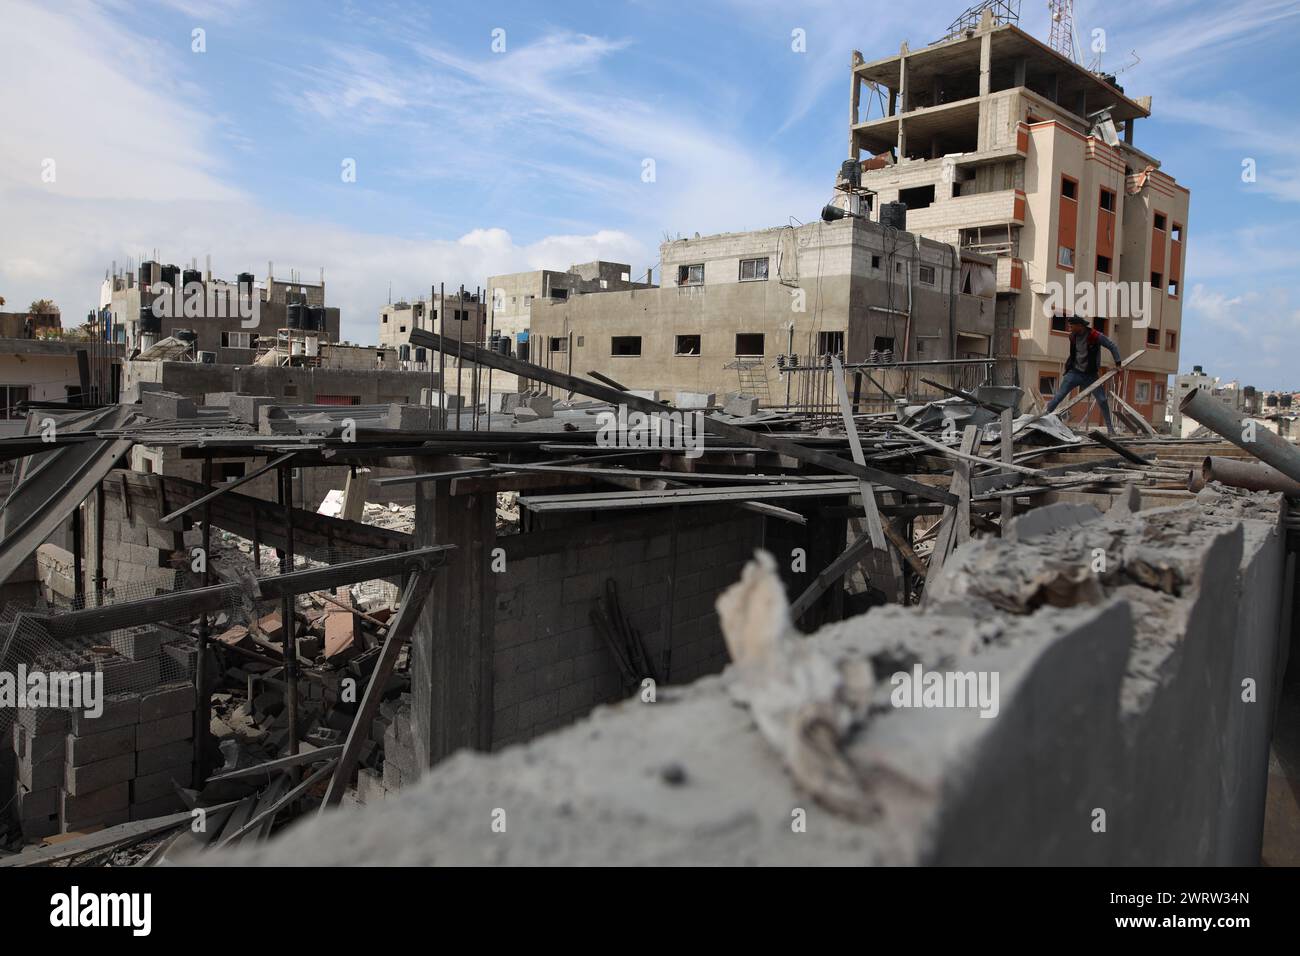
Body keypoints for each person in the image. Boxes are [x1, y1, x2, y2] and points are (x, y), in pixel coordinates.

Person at [1044, 316, 1123, 434]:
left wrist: (1118, 363)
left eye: (1071, 326)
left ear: (1080, 326)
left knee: (1102, 400)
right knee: (1058, 397)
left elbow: (1112, 346)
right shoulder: (1073, 337)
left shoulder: (1095, 336)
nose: (1069, 328)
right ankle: (1042, 420)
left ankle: (1110, 429)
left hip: (1091, 375)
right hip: (1074, 372)